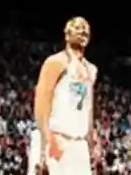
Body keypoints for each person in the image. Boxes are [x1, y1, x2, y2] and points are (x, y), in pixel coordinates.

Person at [34, 17, 98, 175]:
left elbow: (87, 108)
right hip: (57, 137)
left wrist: (91, 142)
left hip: (79, 144)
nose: (83, 30)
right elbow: (41, 104)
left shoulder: (91, 70)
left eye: (86, 28)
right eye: (78, 27)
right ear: (67, 34)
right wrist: (47, 140)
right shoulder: (55, 62)